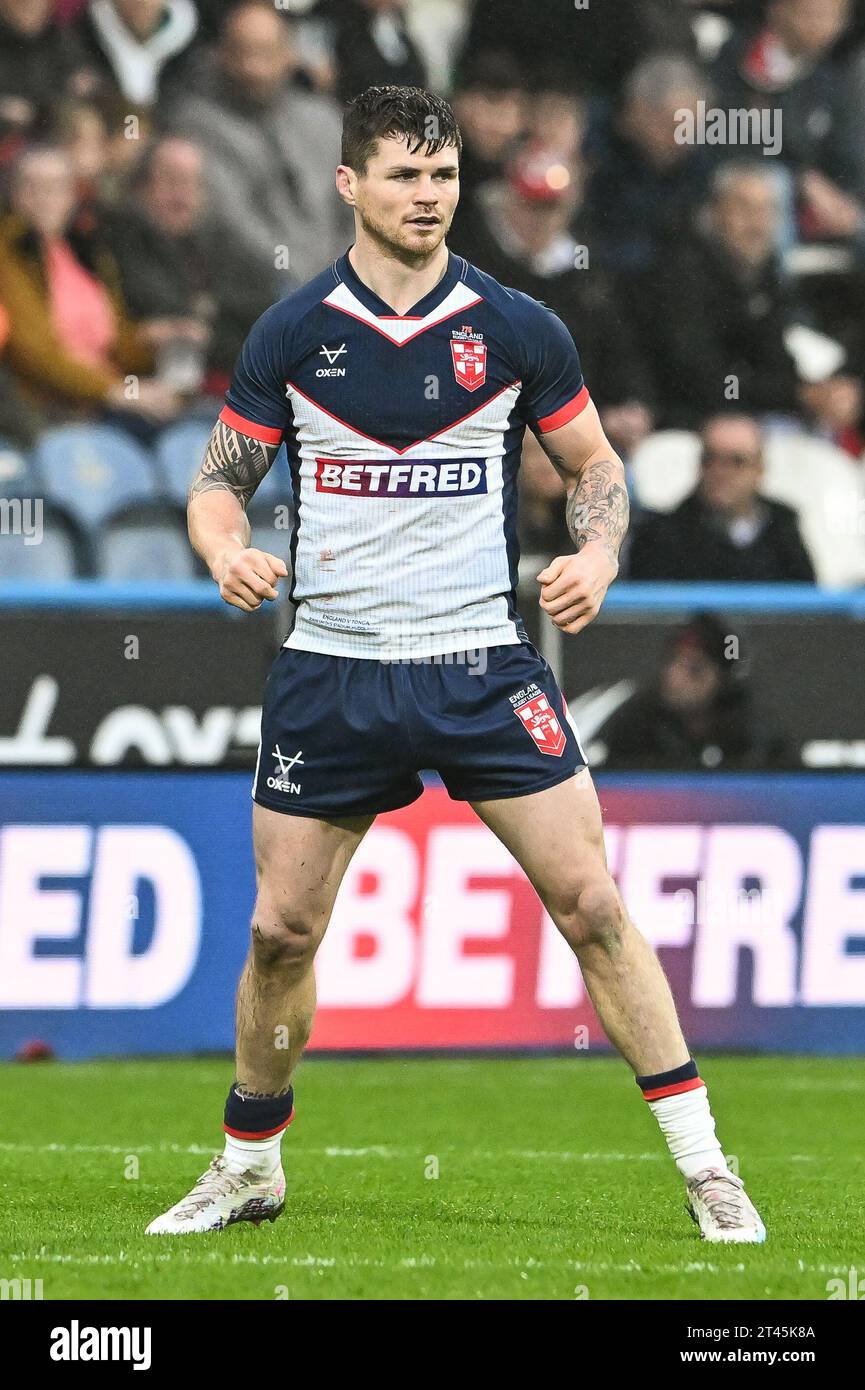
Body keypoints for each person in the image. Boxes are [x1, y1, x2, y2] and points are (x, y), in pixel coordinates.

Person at [146, 86, 765, 1245]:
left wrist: (599, 547)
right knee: (281, 932)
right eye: (403, 177)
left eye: (442, 178)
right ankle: (247, 1168)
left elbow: (595, 466)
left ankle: (707, 1167)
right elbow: (218, 481)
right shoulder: (293, 333)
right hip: (330, 669)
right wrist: (226, 547)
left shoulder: (518, 326)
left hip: (479, 662)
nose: (428, 198)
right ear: (349, 186)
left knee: (590, 904)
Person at [168, 0, 349, 287]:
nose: (253, 68)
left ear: (290, 55)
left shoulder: (325, 120)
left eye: (266, 53)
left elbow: (358, 210)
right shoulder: (196, 128)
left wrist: (347, 276)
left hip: (342, 284)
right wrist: (311, 286)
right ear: (221, 55)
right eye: (242, 52)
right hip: (256, 296)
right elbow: (233, 227)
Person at [0, 145, 179, 426]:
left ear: (73, 195)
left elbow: (116, 343)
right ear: (12, 193)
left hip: (104, 400)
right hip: (48, 409)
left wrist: (150, 340)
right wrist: (114, 391)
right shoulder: (9, 252)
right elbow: (34, 353)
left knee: (202, 421)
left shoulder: (87, 253)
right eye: (30, 186)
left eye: (56, 186)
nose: (43, 198)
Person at [642, 162, 799, 427]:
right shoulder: (681, 275)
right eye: (744, 207)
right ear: (714, 213)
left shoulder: (766, 276)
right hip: (679, 425)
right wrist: (792, 394)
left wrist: (800, 391)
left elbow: (776, 361)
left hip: (750, 419)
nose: (757, 223)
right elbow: (700, 379)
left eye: (767, 210)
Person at [628, 413, 816, 581]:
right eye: (710, 459)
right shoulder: (660, 536)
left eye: (737, 461)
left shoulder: (782, 527)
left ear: (760, 469)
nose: (720, 472)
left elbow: (808, 605)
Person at [597, 612, 791, 770]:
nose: (675, 678)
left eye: (694, 669)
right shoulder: (636, 723)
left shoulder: (754, 734)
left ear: (723, 682)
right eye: (673, 662)